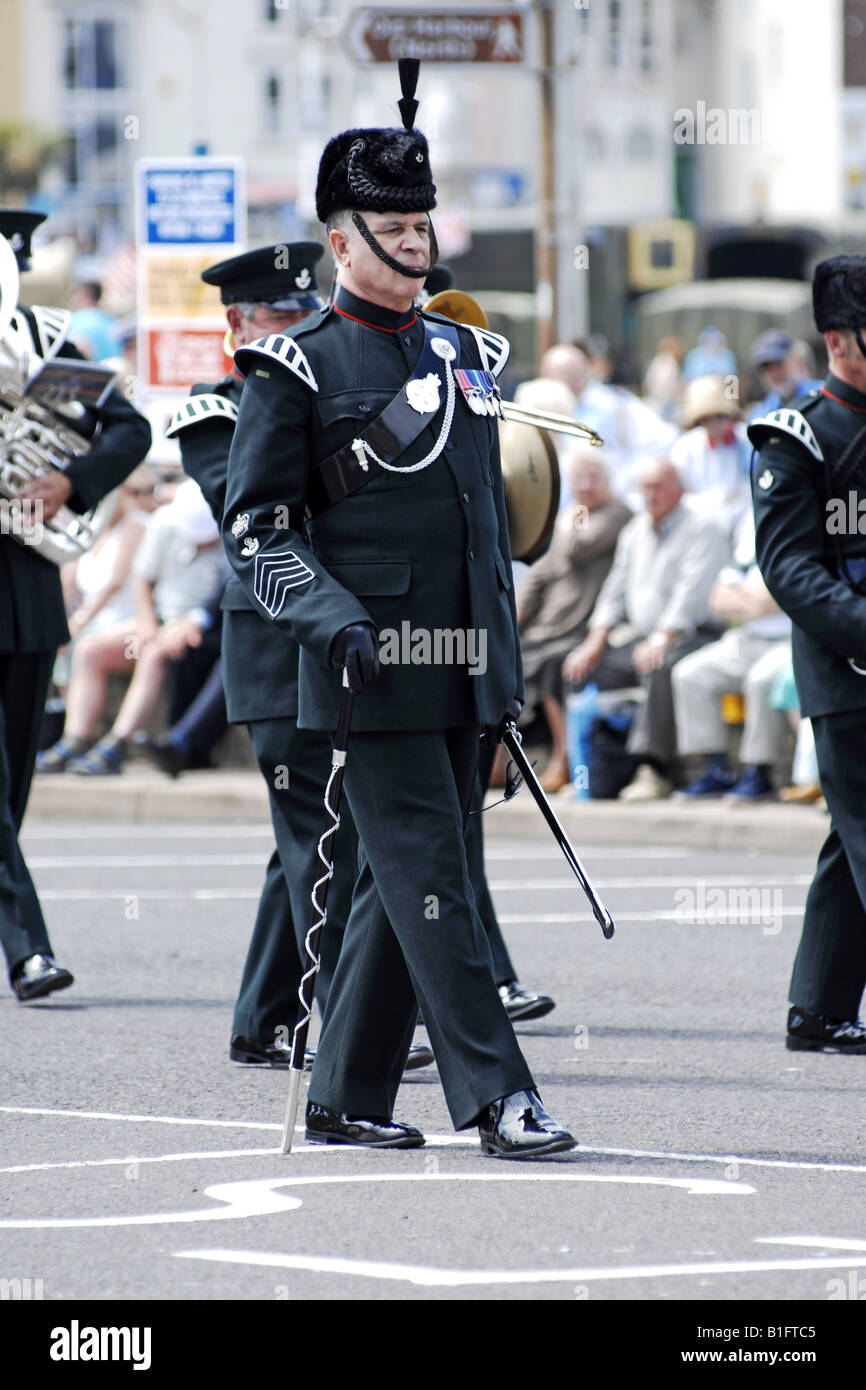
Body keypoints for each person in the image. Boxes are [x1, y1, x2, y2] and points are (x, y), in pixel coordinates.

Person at [221, 75, 576, 1156]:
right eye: (392, 229)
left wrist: (503, 668)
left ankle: (344, 1093)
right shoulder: (293, 366)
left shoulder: (463, 355)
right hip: (366, 663)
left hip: (461, 659)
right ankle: (496, 1094)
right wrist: (329, 619)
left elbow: (482, 526)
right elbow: (258, 528)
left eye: (423, 223)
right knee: (435, 879)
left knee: (396, 885)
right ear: (340, 242)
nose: (415, 244)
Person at [166, 241, 433, 1073]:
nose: (298, 328)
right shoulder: (215, 413)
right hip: (277, 651)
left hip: (336, 643)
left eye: (301, 312)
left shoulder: (324, 392)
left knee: (311, 841)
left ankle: (261, 1018)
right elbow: (272, 511)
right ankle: (330, 1027)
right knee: (323, 838)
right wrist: (383, 437)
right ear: (238, 326)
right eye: (280, 317)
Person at [0, 209, 151, 1001]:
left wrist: (66, 480)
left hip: (25, 592)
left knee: (14, 784)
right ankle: (28, 949)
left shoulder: (38, 344)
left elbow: (129, 431)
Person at [749, 254, 866, 1054]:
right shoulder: (798, 436)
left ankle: (819, 1006)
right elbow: (788, 567)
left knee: (849, 837)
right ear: (839, 339)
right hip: (847, 673)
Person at [562, 458, 728, 801]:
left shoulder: (703, 527)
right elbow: (615, 590)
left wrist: (662, 637)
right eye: (646, 487)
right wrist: (595, 640)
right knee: (577, 668)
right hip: (641, 635)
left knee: (658, 665)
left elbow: (691, 593)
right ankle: (579, 770)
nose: (651, 495)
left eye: (659, 487)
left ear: (680, 490)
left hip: (693, 634)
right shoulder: (635, 530)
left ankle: (655, 770)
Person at [516, 449, 632, 791]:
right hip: (546, 623)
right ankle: (495, 762)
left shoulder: (616, 514)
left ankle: (563, 760)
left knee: (552, 665)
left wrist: (567, 520)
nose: (585, 486)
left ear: (607, 481)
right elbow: (537, 575)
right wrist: (516, 613)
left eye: (592, 478)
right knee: (495, 657)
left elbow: (576, 548)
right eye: (578, 479)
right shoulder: (573, 517)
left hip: (581, 626)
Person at [671, 508, 792, 800]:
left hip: (791, 639)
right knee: (690, 674)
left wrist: (753, 600)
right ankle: (716, 770)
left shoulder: (809, 511)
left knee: (760, 680)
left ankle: (759, 773)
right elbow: (719, 597)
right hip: (748, 636)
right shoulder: (752, 516)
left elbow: (792, 588)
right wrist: (759, 602)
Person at [670, 375, 753, 537]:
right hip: (700, 529)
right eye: (707, 419)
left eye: (719, 416)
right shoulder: (685, 447)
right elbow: (680, 497)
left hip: (743, 527)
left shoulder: (748, 440)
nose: (714, 424)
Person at [747, 328, 822, 421]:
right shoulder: (762, 414)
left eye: (778, 363)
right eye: (766, 366)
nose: (774, 372)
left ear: (796, 360)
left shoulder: (823, 396)